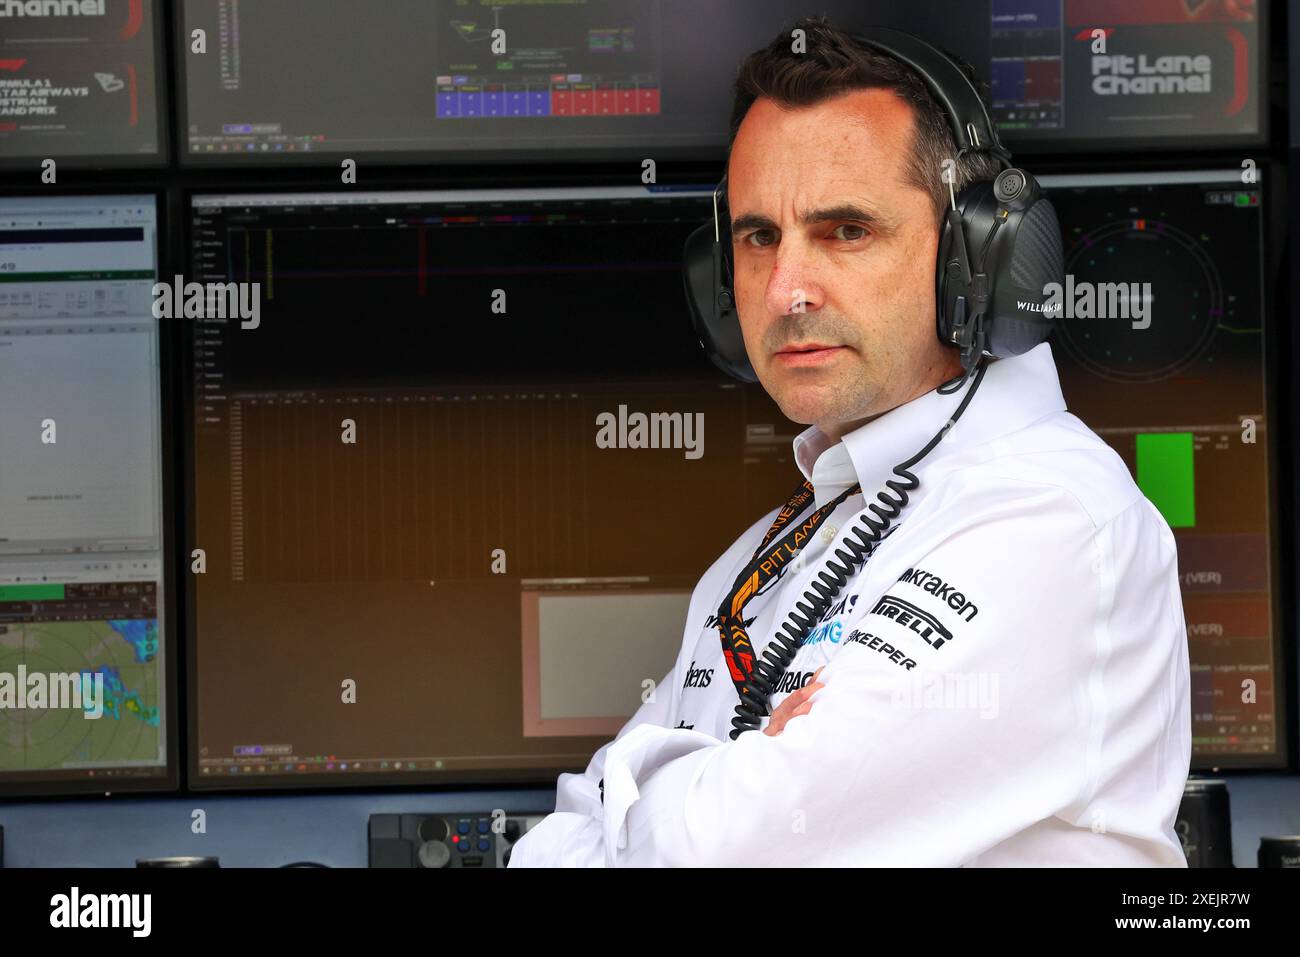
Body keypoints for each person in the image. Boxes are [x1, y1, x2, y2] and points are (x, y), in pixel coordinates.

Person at [508, 17, 1190, 867]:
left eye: (846, 231)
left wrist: (655, 785)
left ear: (980, 258)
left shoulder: (1053, 522)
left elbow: (743, 854)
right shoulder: (755, 560)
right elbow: (553, 841)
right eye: (759, 237)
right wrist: (717, 782)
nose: (787, 289)